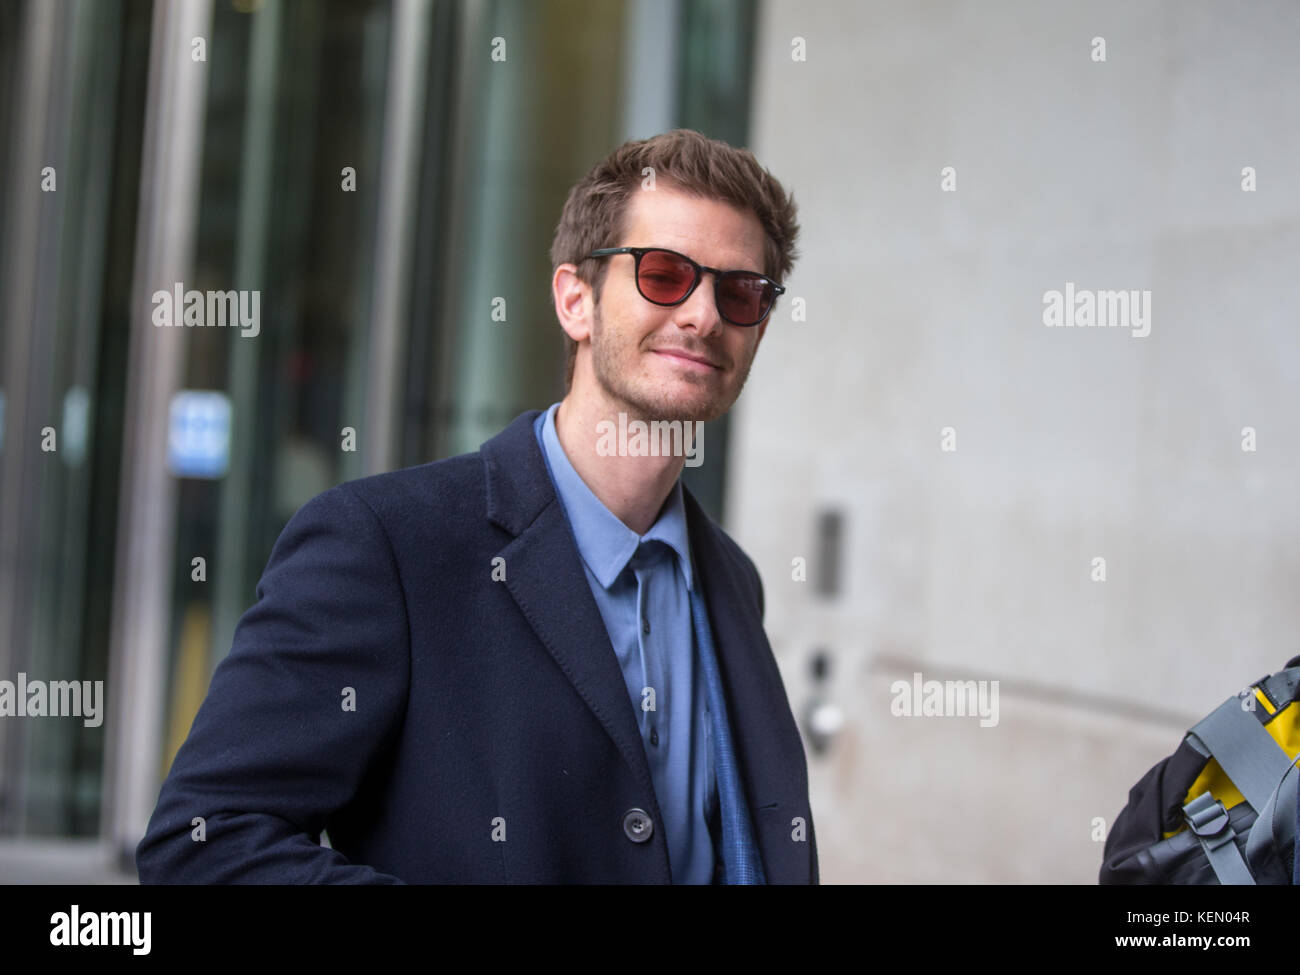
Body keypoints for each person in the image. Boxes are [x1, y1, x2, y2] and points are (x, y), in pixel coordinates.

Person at [135, 128, 818, 884]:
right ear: (575, 301)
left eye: (741, 291)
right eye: (664, 274)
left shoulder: (731, 581)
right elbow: (205, 844)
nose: (703, 315)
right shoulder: (385, 545)